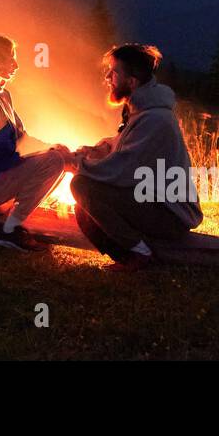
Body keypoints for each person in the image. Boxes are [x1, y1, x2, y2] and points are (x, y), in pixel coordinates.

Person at [69, 43, 203, 272]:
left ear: (131, 82)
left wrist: (74, 163)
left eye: (114, 72)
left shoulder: (155, 119)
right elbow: (124, 145)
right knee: (83, 207)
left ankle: (141, 255)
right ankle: (130, 257)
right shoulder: (142, 110)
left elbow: (123, 170)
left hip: (171, 213)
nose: (108, 77)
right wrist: (99, 148)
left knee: (82, 186)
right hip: (153, 201)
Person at [0, 34, 72, 252]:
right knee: (55, 162)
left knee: (57, 158)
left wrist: (51, 147)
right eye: (10, 58)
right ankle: (8, 232)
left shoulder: (2, 94)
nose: (16, 65)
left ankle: (13, 221)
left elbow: (21, 137)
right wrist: (42, 157)